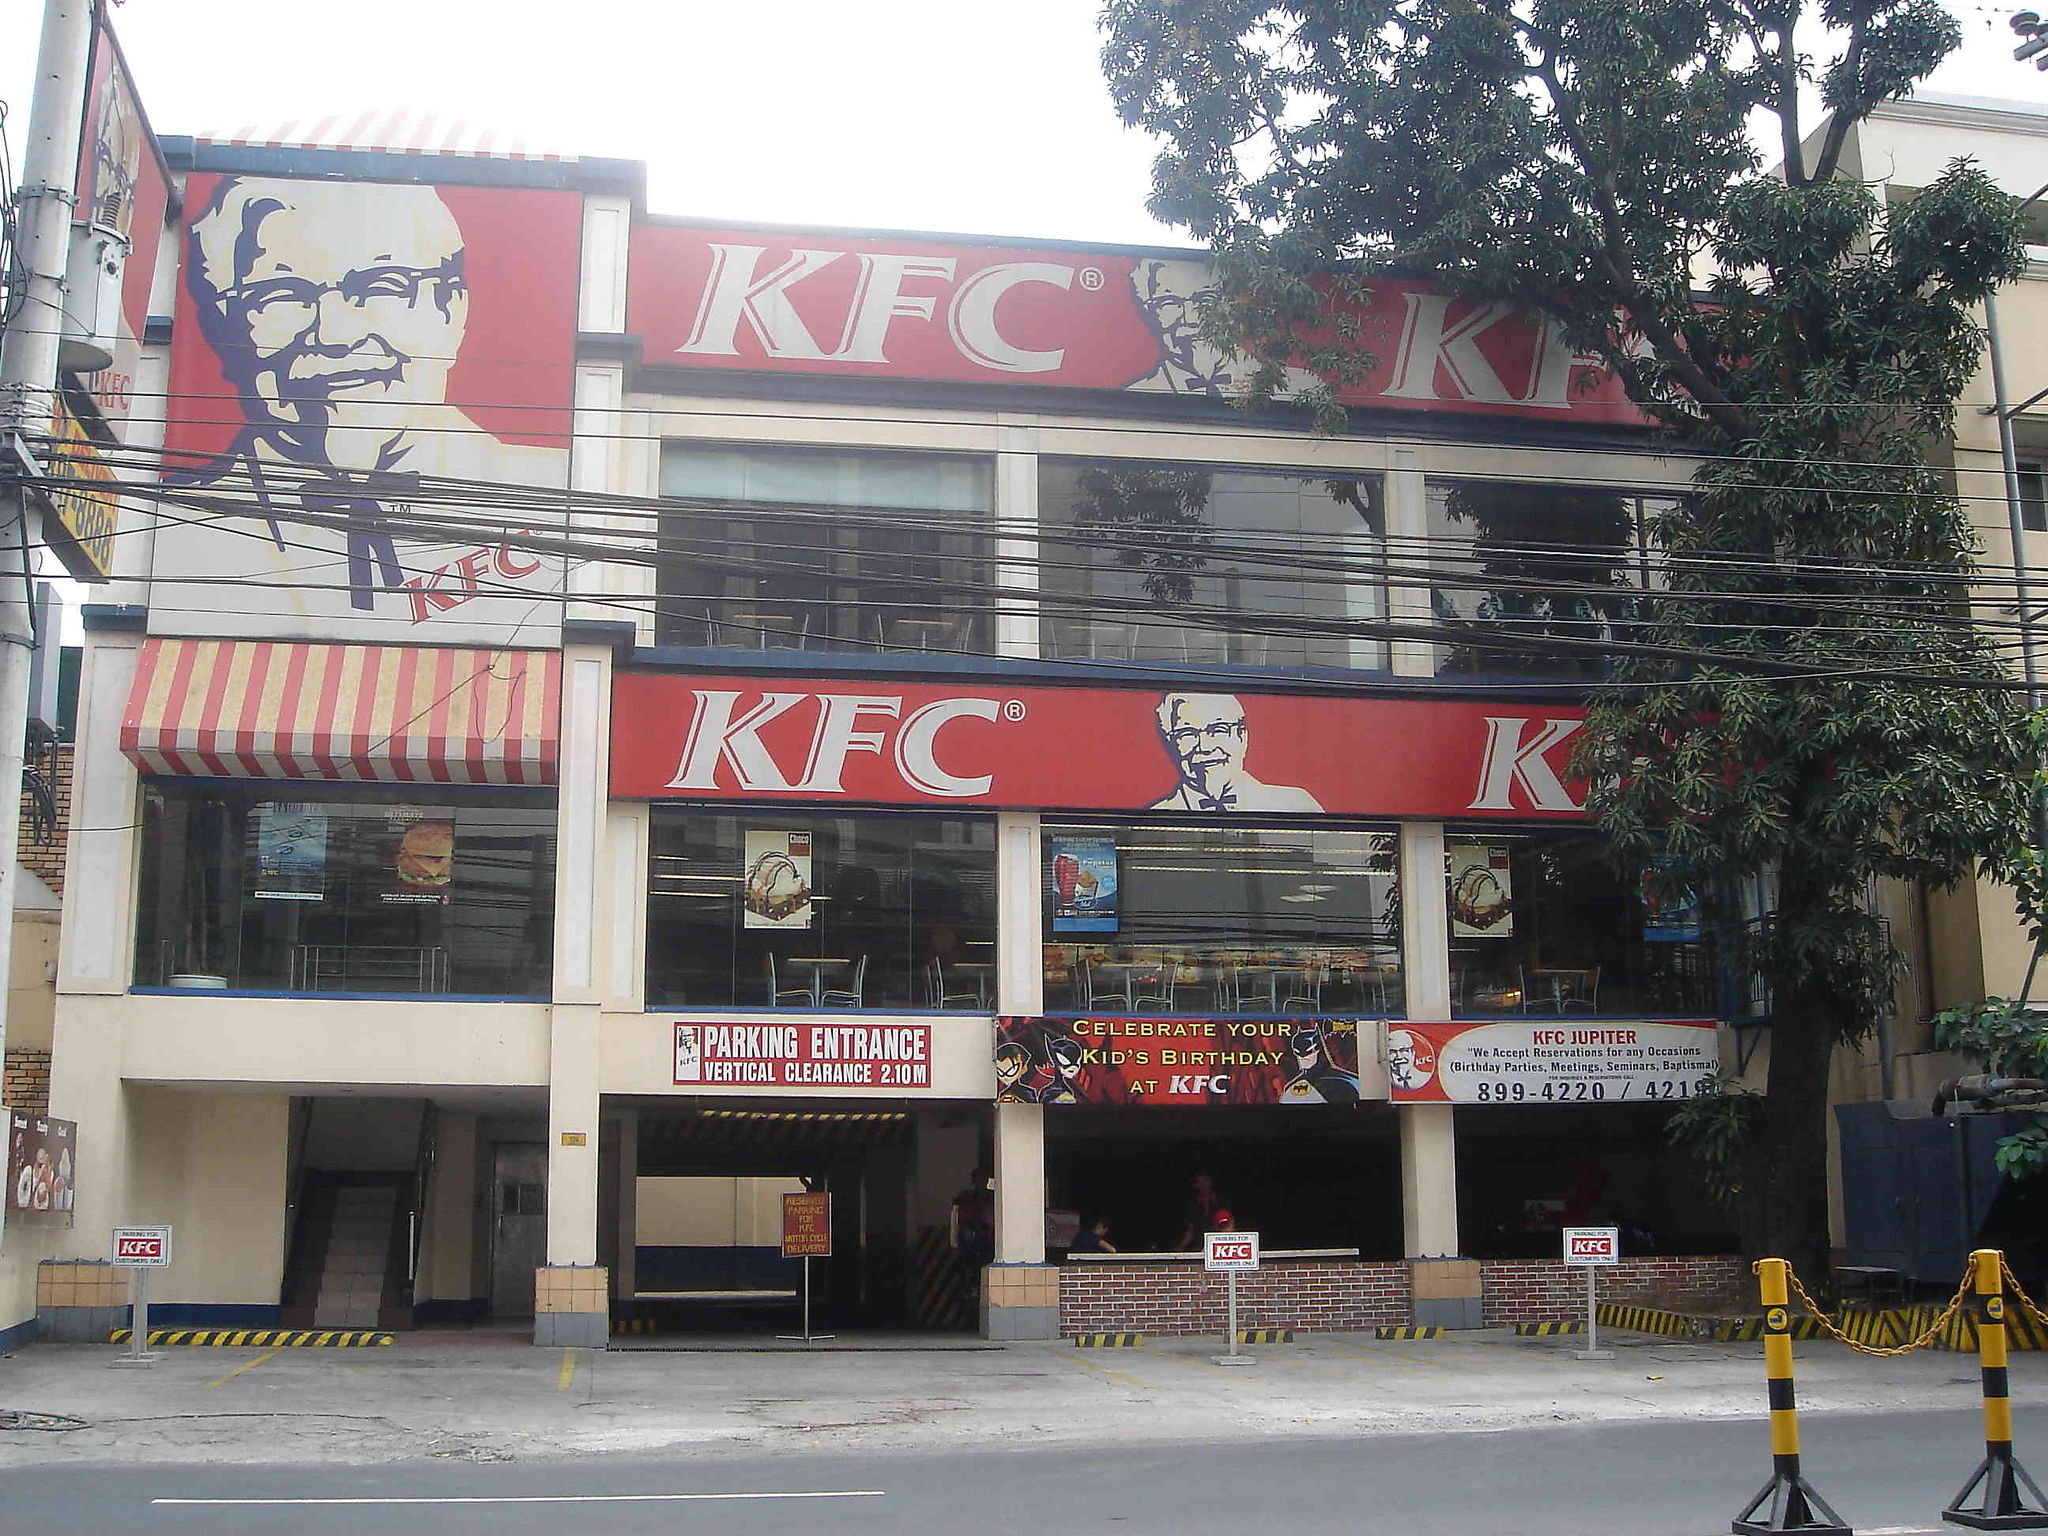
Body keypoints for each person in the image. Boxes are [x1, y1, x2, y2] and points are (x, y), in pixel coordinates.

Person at [171, 177, 562, 614]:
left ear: (451, 310)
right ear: (223, 329)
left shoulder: (564, 500)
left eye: (380, 285)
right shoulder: (170, 528)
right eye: (281, 295)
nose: (335, 336)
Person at [1147, 693, 1323, 813]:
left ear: (1242, 737)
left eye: (1218, 730)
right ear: (1170, 744)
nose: (1205, 746)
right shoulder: (1151, 818)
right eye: (1187, 734)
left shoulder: (1296, 804)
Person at [951, 1167, 996, 1270]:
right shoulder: (965, 1198)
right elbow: (958, 1221)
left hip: (989, 1241)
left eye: (983, 1179)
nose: (981, 1183)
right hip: (969, 1242)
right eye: (978, 1179)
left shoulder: (994, 1197)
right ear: (973, 1181)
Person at [1177, 1171, 1225, 1250]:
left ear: (1210, 1182)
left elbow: (1228, 1227)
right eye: (1199, 1182)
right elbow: (1190, 1230)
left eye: (1205, 1181)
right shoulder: (1193, 1205)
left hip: (1219, 1247)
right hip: (1198, 1247)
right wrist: (1180, 1247)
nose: (1203, 1185)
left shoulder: (1221, 1202)